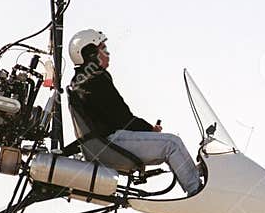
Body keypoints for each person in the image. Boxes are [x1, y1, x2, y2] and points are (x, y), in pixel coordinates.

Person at [66, 29, 202, 196]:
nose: (108, 54)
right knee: (172, 144)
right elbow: (122, 118)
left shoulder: (82, 81)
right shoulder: (94, 80)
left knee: (170, 145)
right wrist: (149, 130)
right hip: (112, 142)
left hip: (106, 142)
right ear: (91, 54)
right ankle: (197, 191)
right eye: (103, 49)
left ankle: (193, 177)